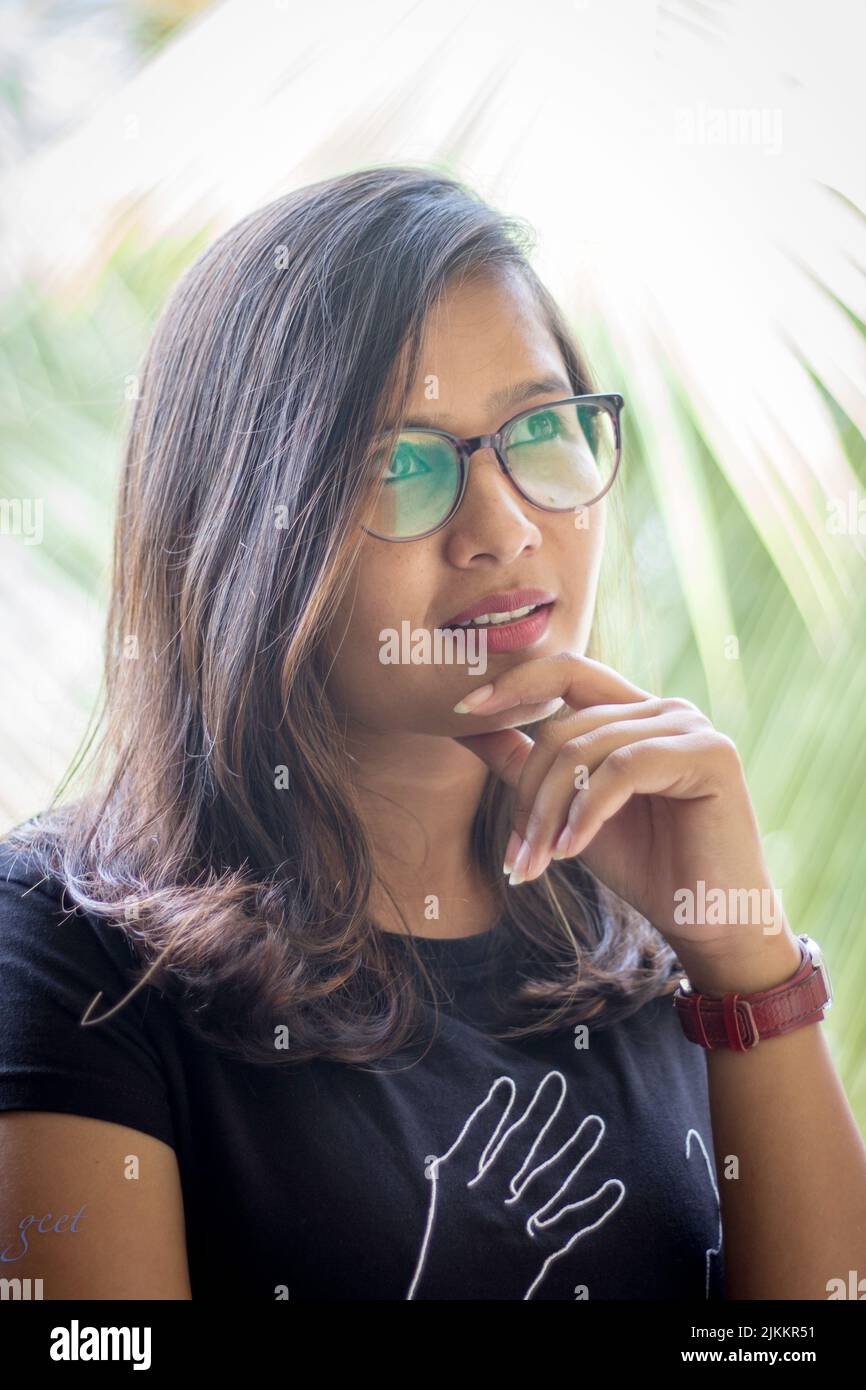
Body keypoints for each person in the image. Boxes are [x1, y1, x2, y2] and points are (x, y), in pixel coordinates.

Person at [1, 166, 864, 1302]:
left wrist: (744, 965)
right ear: (246, 524)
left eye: (539, 431)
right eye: (398, 461)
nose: (503, 527)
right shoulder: (66, 954)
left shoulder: (659, 940)